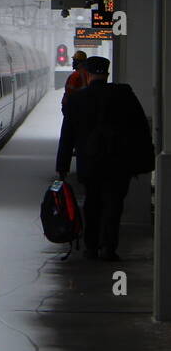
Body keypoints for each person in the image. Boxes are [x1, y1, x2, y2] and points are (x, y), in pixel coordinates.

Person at [56, 56, 153, 261]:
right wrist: (144, 160)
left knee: (92, 203)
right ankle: (109, 247)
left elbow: (67, 136)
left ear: (87, 74)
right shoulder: (124, 95)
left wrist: (62, 166)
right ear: (107, 74)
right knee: (114, 204)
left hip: (90, 163)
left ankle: (91, 247)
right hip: (119, 164)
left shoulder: (77, 100)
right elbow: (141, 129)